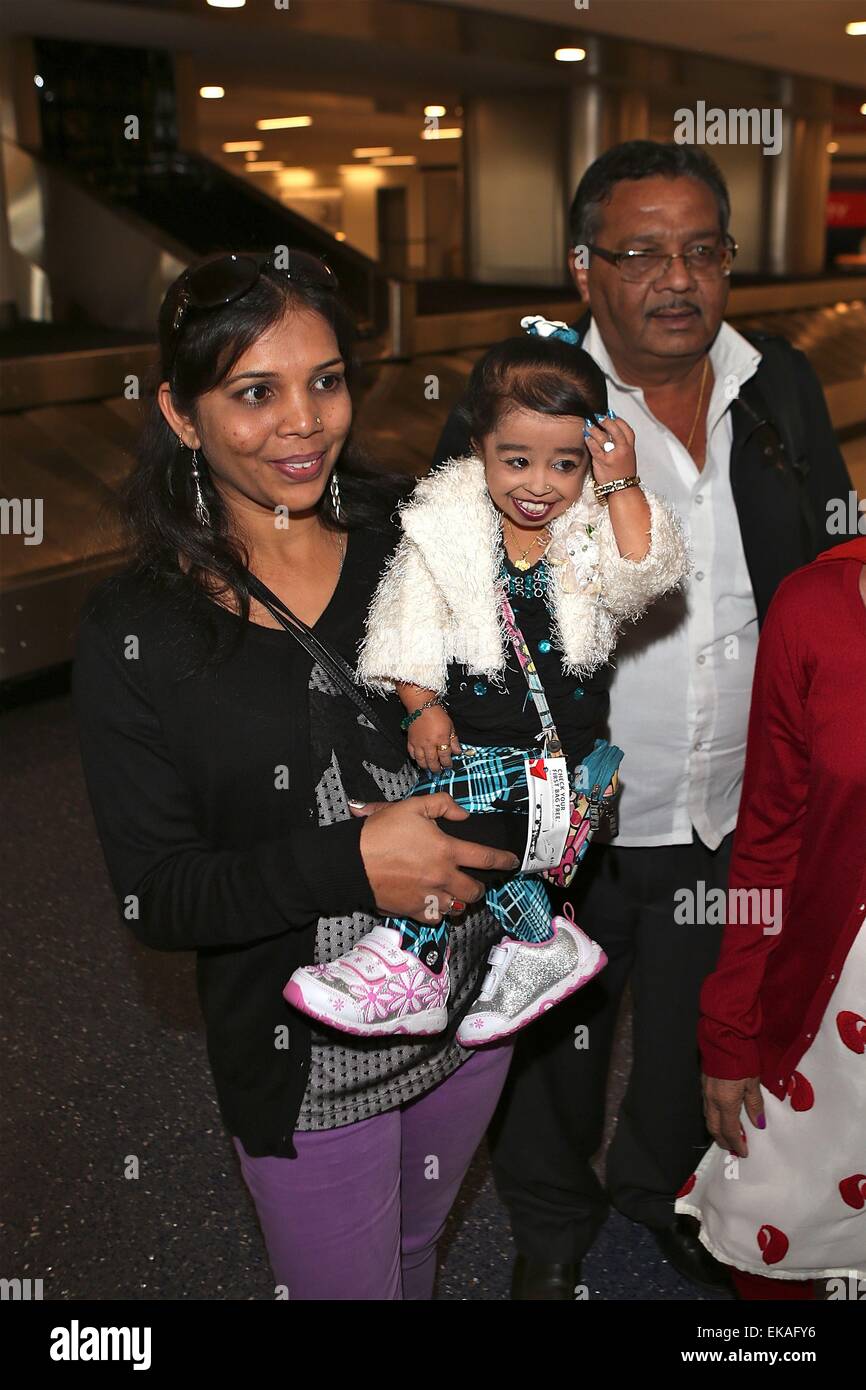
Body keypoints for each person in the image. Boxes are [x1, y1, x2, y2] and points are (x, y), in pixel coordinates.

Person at [432, 141, 855, 1299]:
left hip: (729, 806)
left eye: (701, 251)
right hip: (573, 815)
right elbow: (452, 594)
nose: (676, 279)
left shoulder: (778, 387)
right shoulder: (521, 400)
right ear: (583, 268)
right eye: (640, 253)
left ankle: (651, 1190)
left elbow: (821, 576)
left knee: (686, 1037)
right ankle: (553, 1230)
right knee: (551, 1046)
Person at [72, 248, 525, 1301]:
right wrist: (352, 858)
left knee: (415, 1253)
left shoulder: (404, 531)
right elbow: (160, 893)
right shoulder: (140, 629)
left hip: (471, 999)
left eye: (325, 380)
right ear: (182, 415)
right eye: (253, 392)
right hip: (306, 1059)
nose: (304, 422)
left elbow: (502, 712)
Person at [287, 320, 687, 1047]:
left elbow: (646, 571)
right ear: (477, 448)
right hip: (472, 738)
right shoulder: (445, 525)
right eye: (516, 460)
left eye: (565, 465)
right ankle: (529, 947)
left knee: (436, 824)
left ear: (590, 457)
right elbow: (406, 623)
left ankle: (414, 957)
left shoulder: (593, 525)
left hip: (557, 754)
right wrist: (422, 704)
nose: (538, 486)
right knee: (483, 853)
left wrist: (620, 481)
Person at [677, 535, 866, 1300]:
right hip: (827, 1007)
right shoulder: (813, 608)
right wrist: (730, 1024)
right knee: (778, 1231)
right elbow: (765, 843)